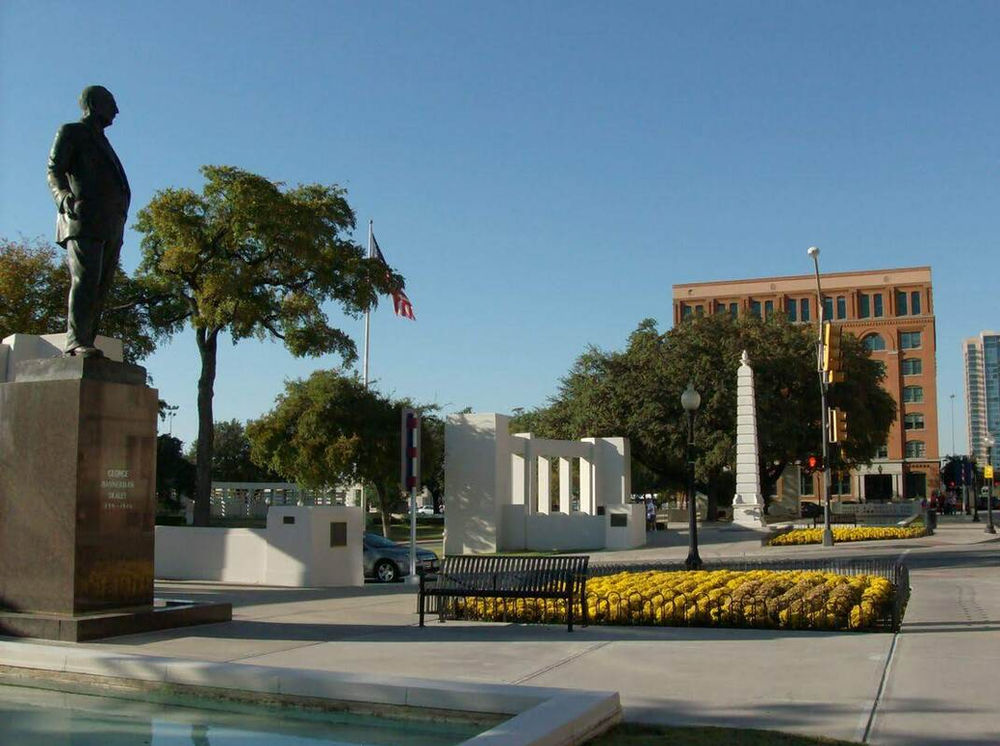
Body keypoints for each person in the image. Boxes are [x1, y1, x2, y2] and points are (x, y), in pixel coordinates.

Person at [46, 85, 130, 357]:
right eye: (111, 103)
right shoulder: (72, 132)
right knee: (84, 280)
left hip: (111, 225)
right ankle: (76, 342)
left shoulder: (103, 140)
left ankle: (87, 341)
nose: (116, 111)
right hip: (82, 218)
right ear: (94, 103)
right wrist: (62, 197)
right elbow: (54, 169)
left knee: (100, 288)